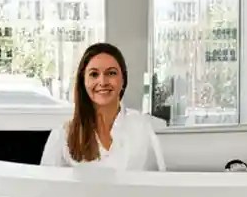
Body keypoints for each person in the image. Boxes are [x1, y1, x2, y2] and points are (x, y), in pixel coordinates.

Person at [40, 42, 166, 170]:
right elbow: (46, 186)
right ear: (83, 81)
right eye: (94, 74)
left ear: (123, 80)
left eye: (111, 73)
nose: (103, 82)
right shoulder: (63, 135)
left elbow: (158, 184)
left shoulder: (142, 127)